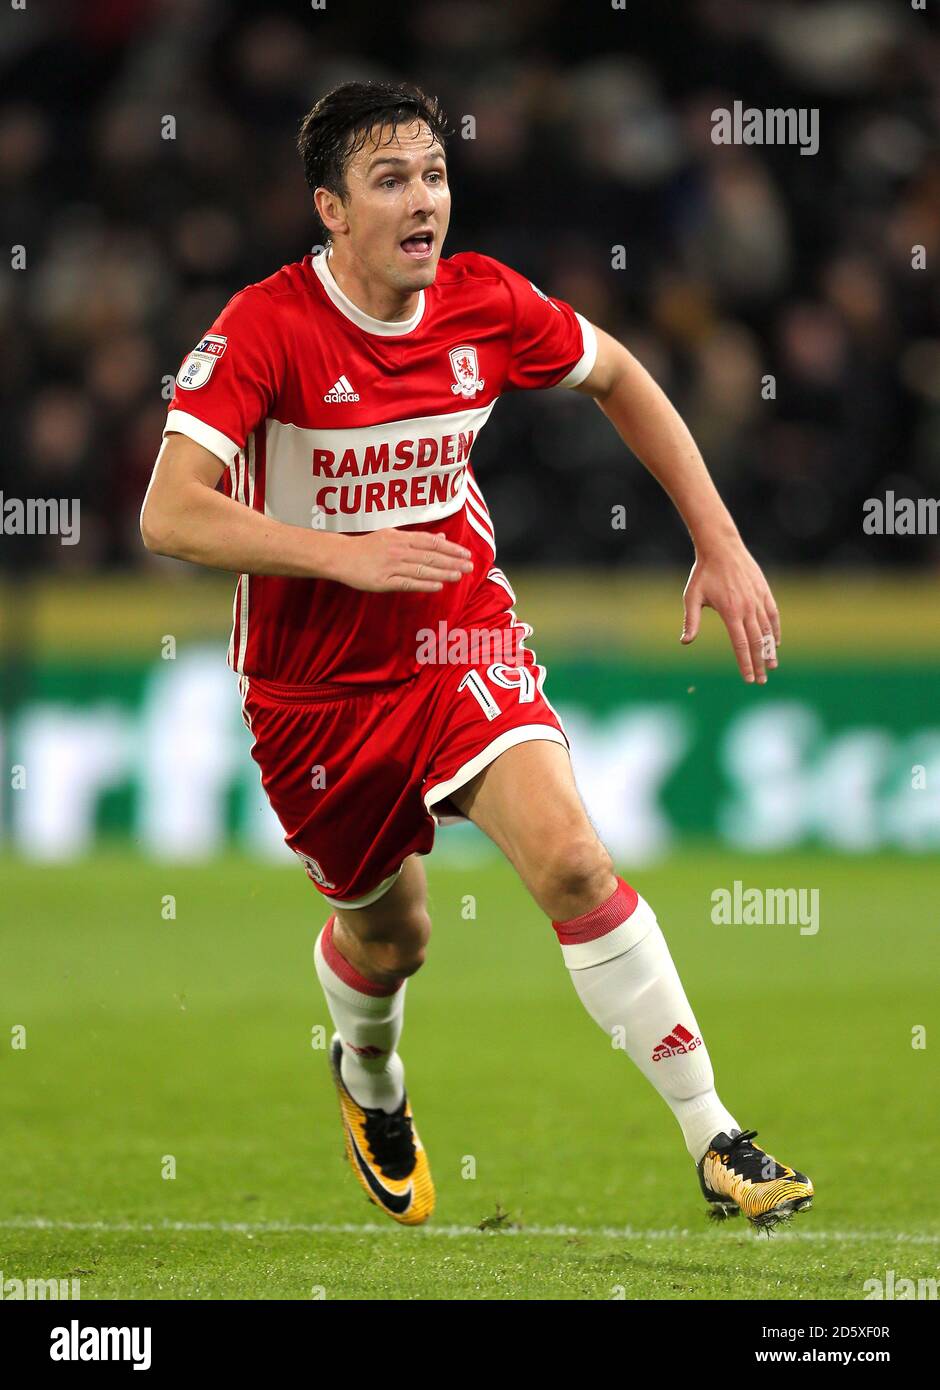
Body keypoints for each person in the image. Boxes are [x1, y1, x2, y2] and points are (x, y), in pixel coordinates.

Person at [140, 79, 812, 1230]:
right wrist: (334, 556)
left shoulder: (486, 303)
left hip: (457, 637)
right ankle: (370, 1080)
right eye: (390, 180)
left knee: (575, 865)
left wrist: (718, 536)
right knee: (390, 936)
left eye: (435, 176)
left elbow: (619, 375)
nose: (423, 201)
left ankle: (715, 1136)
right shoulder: (264, 326)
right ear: (330, 211)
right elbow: (169, 514)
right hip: (311, 694)